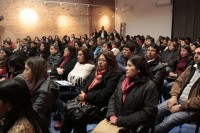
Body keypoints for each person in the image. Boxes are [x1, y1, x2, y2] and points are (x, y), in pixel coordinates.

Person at [61, 51, 122, 133]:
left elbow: (105, 94)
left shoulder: (114, 75)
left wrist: (86, 97)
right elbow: (84, 84)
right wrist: (82, 94)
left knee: (78, 116)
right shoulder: (95, 70)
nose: (100, 62)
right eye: (99, 59)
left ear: (110, 62)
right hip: (86, 101)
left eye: (103, 60)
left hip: (99, 106)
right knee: (69, 111)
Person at [105, 55, 158, 132]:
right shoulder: (123, 79)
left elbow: (147, 113)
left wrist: (120, 121)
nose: (126, 68)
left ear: (139, 69)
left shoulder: (149, 86)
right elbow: (114, 97)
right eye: (126, 65)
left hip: (132, 125)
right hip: (116, 119)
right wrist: (111, 114)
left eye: (129, 66)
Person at [154, 46, 200, 133]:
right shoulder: (191, 68)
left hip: (193, 109)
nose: (196, 56)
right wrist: (174, 96)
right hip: (178, 99)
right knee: (156, 111)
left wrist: (180, 106)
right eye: (195, 53)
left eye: (199, 54)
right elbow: (178, 82)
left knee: (167, 122)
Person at [15, 56, 59, 127]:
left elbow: (33, 114)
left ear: (36, 71)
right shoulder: (33, 81)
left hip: (36, 124)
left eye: (27, 69)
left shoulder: (46, 91)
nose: (23, 72)